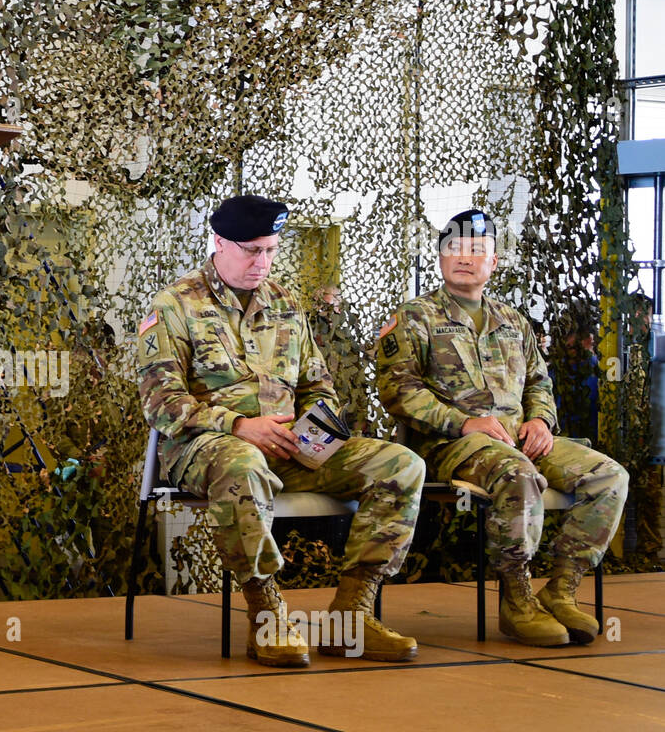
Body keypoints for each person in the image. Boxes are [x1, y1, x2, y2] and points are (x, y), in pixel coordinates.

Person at [138, 195, 425, 667]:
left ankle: (352, 616)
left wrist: (315, 430)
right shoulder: (175, 305)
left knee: (400, 464)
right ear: (218, 242)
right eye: (252, 250)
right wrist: (239, 425)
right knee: (242, 463)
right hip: (208, 448)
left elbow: (318, 386)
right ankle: (266, 613)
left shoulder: (286, 304)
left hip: (291, 447)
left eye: (271, 250)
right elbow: (161, 403)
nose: (263, 262)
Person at [375, 209, 628, 646]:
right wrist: (464, 421)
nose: (464, 258)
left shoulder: (513, 321)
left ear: (494, 262)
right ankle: (517, 598)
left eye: (477, 250)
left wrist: (541, 420)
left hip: (520, 437)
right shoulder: (415, 318)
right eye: (454, 248)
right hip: (454, 445)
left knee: (609, 477)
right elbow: (399, 392)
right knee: (519, 476)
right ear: (439, 258)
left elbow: (538, 382)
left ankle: (561, 589)